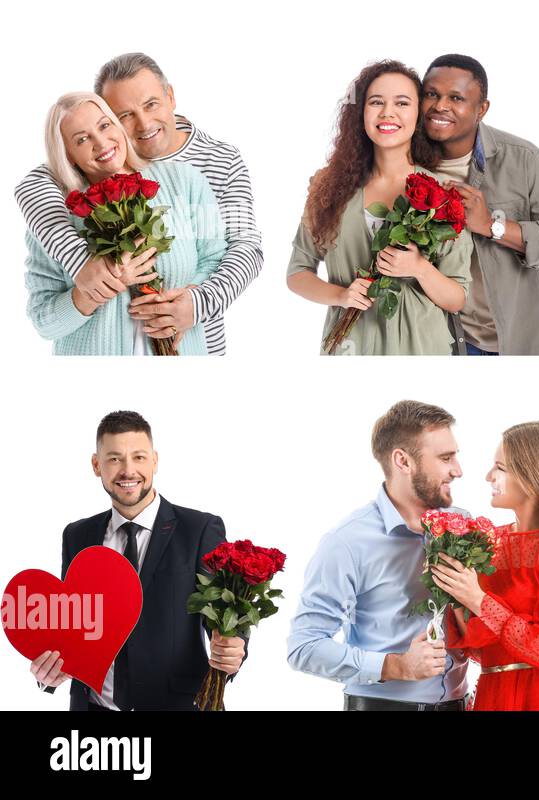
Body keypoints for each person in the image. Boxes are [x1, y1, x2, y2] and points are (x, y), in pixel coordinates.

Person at [15, 53, 262, 355]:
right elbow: (33, 182)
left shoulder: (214, 165)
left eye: (151, 104)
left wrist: (195, 304)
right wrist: (88, 277)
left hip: (201, 342)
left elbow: (245, 248)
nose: (143, 124)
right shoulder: (59, 203)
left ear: (170, 96)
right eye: (124, 115)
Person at [30, 411, 246, 710]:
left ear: (155, 460)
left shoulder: (199, 530)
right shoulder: (77, 535)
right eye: (115, 458)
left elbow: (224, 617)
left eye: (139, 457)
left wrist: (235, 648)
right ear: (97, 465)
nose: (128, 471)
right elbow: (71, 626)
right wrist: (47, 674)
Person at [287, 401, 468, 710]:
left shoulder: (464, 528)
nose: (458, 470)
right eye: (445, 458)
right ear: (403, 461)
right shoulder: (347, 542)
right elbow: (303, 647)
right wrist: (395, 666)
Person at [287, 61, 471, 355]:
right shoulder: (329, 189)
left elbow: (457, 298)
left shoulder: (442, 195)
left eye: (402, 102)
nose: (388, 112)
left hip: (423, 350)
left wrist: (419, 268)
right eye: (376, 102)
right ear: (360, 113)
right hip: (349, 348)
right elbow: (297, 273)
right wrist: (342, 295)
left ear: (418, 115)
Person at [420, 54, 539, 355]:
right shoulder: (405, 163)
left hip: (525, 342)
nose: (440, 106)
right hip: (446, 340)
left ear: (481, 109)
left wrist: (492, 226)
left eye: (456, 97)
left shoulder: (524, 159)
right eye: (431, 94)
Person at [436, 422, 539, 710]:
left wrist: (478, 600)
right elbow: (484, 651)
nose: (488, 476)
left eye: (500, 467)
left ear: (534, 476)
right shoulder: (490, 542)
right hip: (494, 694)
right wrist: (456, 598)